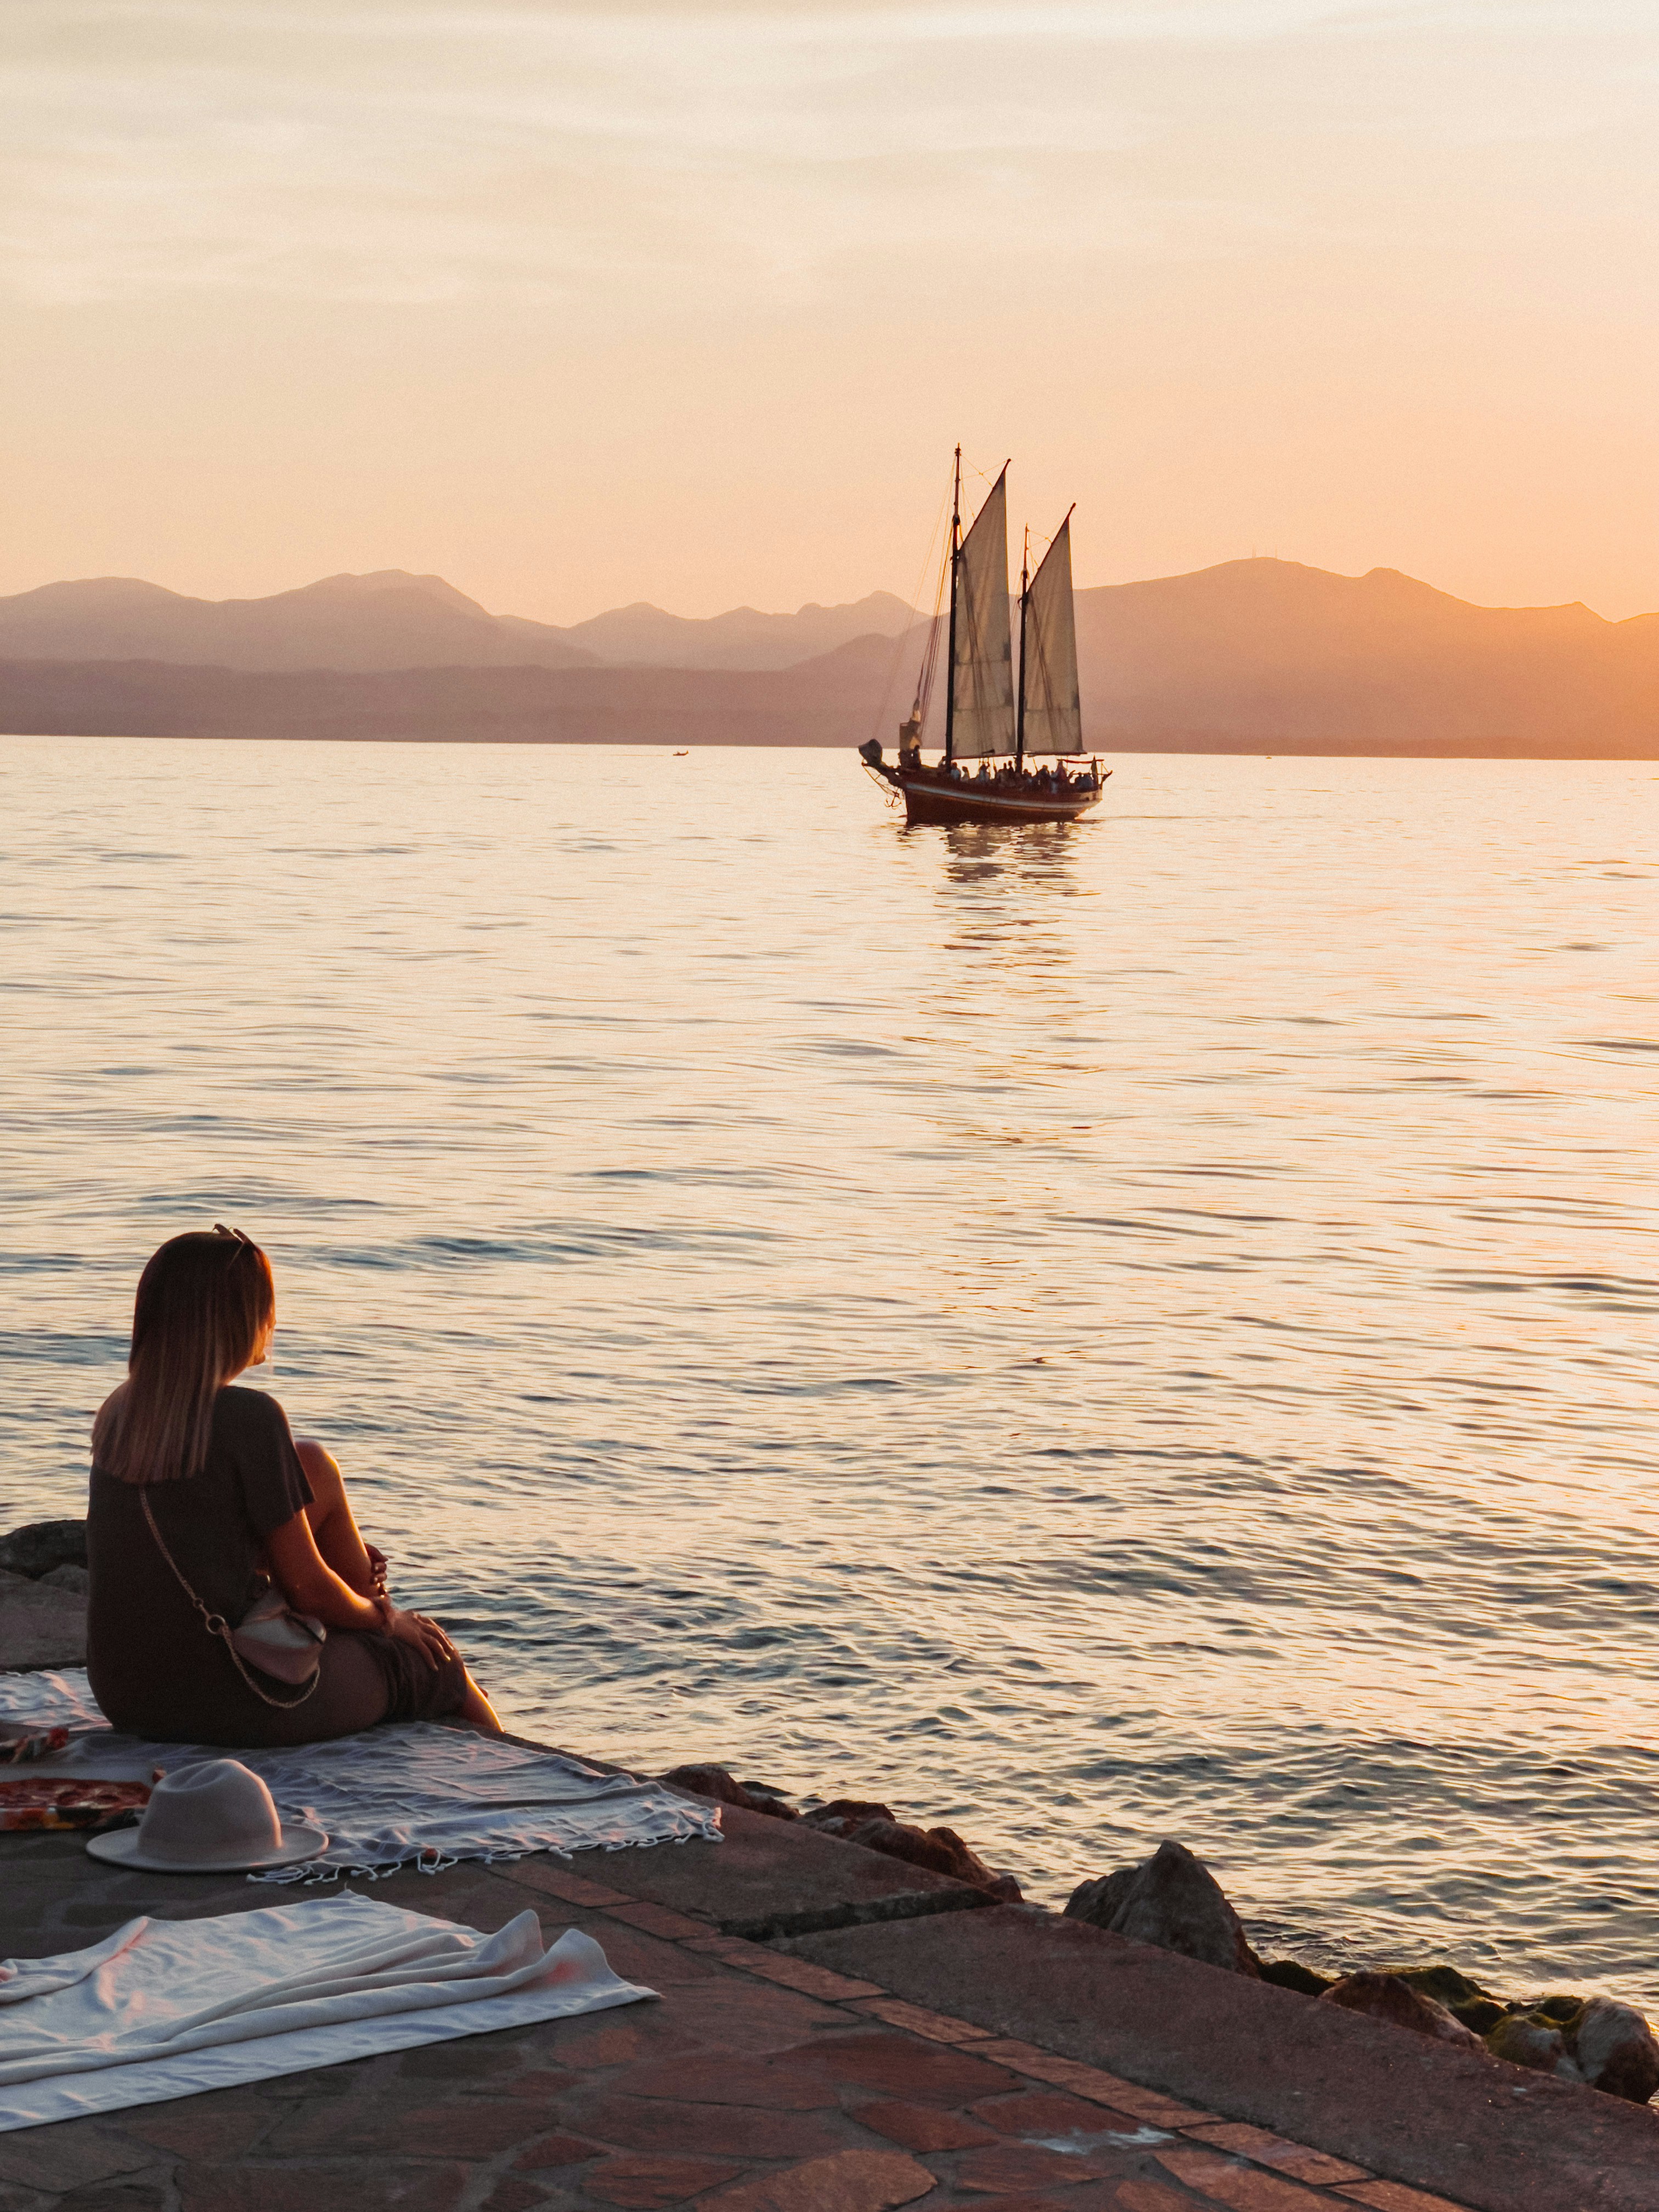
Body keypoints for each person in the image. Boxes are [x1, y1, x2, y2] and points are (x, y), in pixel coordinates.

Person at [86, 1227, 502, 1747]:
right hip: (233, 1695)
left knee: (312, 1463)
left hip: (126, 1696)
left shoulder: (121, 1414)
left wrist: (336, 1585)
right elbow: (308, 1588)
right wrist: (385, 1621)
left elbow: (199, 1540)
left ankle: (366, 1605)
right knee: (432, 1663)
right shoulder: (250, 1417)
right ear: (241, 1320)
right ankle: (532, 1792)